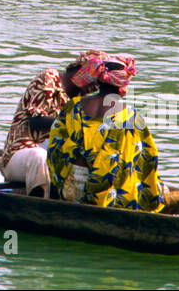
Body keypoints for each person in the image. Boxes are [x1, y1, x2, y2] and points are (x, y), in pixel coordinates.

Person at [46, 50, 168, 211]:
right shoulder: (128, 115)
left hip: (71, 191)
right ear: (123, 84)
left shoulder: (74, 106)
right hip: (106, 199)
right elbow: (147, 159)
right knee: (160, 189)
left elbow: (55, 147)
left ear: (99, 80)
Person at [1, 68, 68, 196]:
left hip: (52, 157)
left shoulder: (86, 97)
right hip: (21, 155)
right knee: (39, 157)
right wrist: (69, 122)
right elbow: (35, 121)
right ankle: (40, 205)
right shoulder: (49, 78)